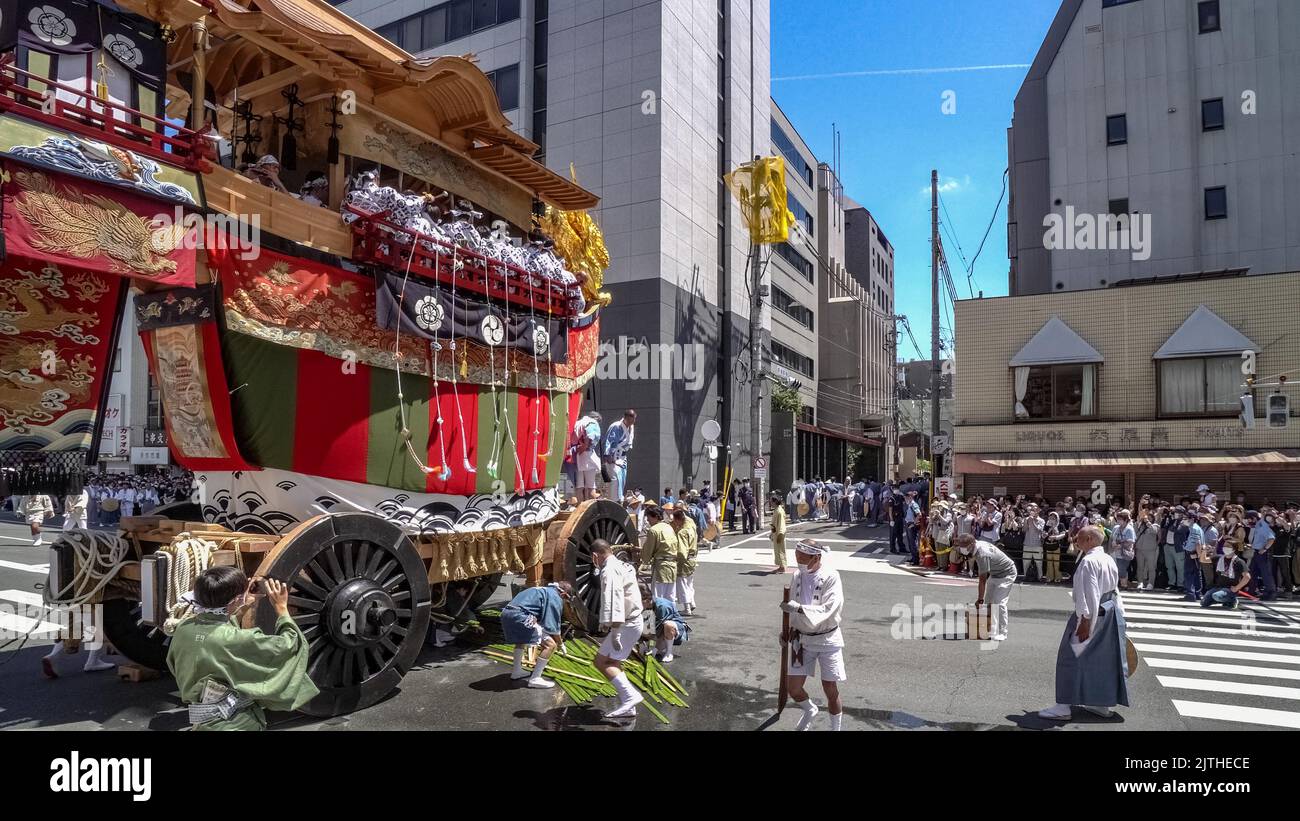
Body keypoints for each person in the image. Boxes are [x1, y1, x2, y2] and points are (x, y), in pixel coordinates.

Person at [166, 567, 319, 730]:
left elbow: (217, 634)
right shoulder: (237, 639)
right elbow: (289, 644)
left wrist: (245, 604)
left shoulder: (184, 629)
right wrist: (281, 609)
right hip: (236, 723)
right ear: (235, 600)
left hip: (202, 722)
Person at [1038, 525, 1129, 721]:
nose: (1075, 540)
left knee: (1069, 657)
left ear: (1089, 540)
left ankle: (1063, 706)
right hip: (1109, 613)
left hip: (1091, 615)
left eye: (1079, 537)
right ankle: (1101, 704)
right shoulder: (1107, 558)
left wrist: (1086, 622)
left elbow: (1089, 595)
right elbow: (1114, 591)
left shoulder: (1089, 561)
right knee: (1101, 661)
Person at [779, 540, 846, 731]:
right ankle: (809, 710)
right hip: (802, 639)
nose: (799, 560)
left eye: (803, 557)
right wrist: (787, 631)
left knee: (830, 689)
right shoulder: (798, 575)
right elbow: (791, 607)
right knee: (793, 688)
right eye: (797, 556)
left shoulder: (831, 576)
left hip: (827, 639)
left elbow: (829, 608)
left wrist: (800, 609)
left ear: (816, 557)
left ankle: (836, 728)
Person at [591, 539, 645, 718]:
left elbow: (615, 601)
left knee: (600, 662)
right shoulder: (621, 563)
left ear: (594, 556)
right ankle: (629, 706)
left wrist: (614, 633)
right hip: (633, 621)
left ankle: (630, 696)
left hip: (626, 624)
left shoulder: (609, 570)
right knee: (613, 663)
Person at [501, 581, 575, 689]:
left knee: (521, 640)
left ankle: (517, 671)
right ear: (563, 595)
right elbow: (552, 627)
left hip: (506, 614)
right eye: (565, 600)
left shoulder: (540, 589)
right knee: (550, 645)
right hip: (521, 616)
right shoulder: (555, 597)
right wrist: (560, 644)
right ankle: (535, 679)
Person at [955, 534, 1016, 641]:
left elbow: (982, 580)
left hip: (1007, 573)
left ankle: (1003, 632)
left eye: (964, 546)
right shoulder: (976, 545)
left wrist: (980, 599)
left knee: (999, 602)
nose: (962, 549)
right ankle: (991, 629)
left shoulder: (982, 554)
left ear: (972, 544)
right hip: (995, 573)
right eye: (961, 546)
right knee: (989, 603)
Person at [640, 505, 680, 603]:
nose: (648, 521)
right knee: (670, 596)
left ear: (655, 517)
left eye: (648, 518)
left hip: (661, 567)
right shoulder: (669, 527)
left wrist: (642, 559)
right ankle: (671, 616)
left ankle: (660, 617)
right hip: (672, 566)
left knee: (658, 596)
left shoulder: (654, 530)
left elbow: (648, 551)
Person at [642, 584, 690, 663]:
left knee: (668, 625)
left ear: (647, 600)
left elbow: (662, 628)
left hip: (674, 629)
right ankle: (652, 648)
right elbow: (647, 628)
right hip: (659, 629)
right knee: (640, 628)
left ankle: (669, 653)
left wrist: (656, 648)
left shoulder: (662, 606)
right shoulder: (647, 607)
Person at [1200, 539, 1251, 609]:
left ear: (1233, 549)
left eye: (1228, 546)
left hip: (1230, 589)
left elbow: (1247, 577)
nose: (1225, 547)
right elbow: (1203, 560)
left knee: (1216, 596)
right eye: (1224, 546)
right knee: (1203, 603)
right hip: (1218, 587)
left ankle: (1232, 600)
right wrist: (1204, 550)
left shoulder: (1239, 562)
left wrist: (1236, 588)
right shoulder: (1219, 558)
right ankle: (1223, 600)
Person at [602, 409, 636, 501]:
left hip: (623, 458)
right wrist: (607, 455)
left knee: (621, 481)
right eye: (630, 420)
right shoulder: (616, 426)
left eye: (633, 420)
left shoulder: (631, 427)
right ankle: (613, 501)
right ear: (625, 418)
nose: (631, 422)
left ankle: (618, 500)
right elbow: (608, 441)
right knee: (614, 482)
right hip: (613, 457)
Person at [672, 507, 699, 615]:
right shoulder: (691, 526)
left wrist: (677, 560)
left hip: (685, 560)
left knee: (682, 584)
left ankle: (687, 608)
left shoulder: (682, 532)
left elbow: (682, 551)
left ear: (678, 520)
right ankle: (692, 603)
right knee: (689, 583)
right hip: (693, 558)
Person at [571, 411, 603, 501]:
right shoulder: (592, 422)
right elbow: (590, 433)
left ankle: (579, 507)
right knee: (591, 487)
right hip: (586, 453)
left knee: (579, 487)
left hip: (576, 454)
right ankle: (591, 510)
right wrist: (585, 445)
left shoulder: (578, 422)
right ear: (596, 419)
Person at [1248, 510, 1277, 600]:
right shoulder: (1259, 523)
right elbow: (1261, 516)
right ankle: (1252, 591)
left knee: (1266, 574)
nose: (1248, 521)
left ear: (1253, 518)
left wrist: (1264, 549)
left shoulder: (1263, 526)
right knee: (1253, 571)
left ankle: (1271, 593)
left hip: (1263, 553)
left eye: (1249, 519)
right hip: (1256, 552)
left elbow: (1271, 539)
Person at [1108, 509, 1136, 590]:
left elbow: (1131, 542)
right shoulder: (1116, 527)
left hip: (1124, 553)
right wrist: (1111, 547)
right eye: (1118, 519)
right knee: (1115, 568)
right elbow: (1112, 538)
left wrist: (1119, 546)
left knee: (1121, 569)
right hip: (1114, 552)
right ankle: (1118, 584)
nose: (1119, 521)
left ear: (1125, 520)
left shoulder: (1129, 529)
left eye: (1120, 519)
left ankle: (1124, 585)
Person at [1133, 507, 1161, 591]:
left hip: (1150, 549)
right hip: (1140, 549)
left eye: (1149, 517)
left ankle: (1150, 583)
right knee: (1140, 567)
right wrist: (1138, 522)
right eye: (1146, 517)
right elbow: (1135, 532)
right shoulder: (1140, 525)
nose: (1147, 518)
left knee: (1151, 567)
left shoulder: (1155, 525)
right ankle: (1140, 582)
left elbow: (1154, 531)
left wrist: (1147, 522)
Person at [1021, 504, 1045, 582]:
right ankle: (1025, 575)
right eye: (1031, 510)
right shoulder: (1027, 519)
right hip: (1027, 543)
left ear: (1037, 511)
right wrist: (1026, 521)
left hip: (1037, 544)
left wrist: (1033, 521)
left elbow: (1039, 530)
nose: (1032, 512)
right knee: (1026, 561)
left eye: (1034, 510)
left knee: (1039, 562)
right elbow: (1024, 530)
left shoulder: (1041, 520)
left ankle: (1040, 577)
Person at [1043, 511, 1066, 584]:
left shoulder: (1060, 525)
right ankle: (1049, 577)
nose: (1052, 519)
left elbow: (1063, 534)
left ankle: (1058, 577)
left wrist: (1055, 536)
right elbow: (1043, 535)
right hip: (1048, 545)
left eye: (1053, 518)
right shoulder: (1046, 525)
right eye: (1050, 518)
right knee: (1049, 561)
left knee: (1056, 562)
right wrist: (1046, 533)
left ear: (1057, 518)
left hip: (1056, 545)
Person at [770, 491, 788, 572]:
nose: (770, 503)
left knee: (780, 550)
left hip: (779, 533)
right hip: (776, 531)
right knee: (778, 550)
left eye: (771, 501)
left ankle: (782, 567)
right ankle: (781, 566)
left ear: (775, 502)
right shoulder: (777, 509)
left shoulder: (779, 511)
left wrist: (780, 534)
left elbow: (781, 524)